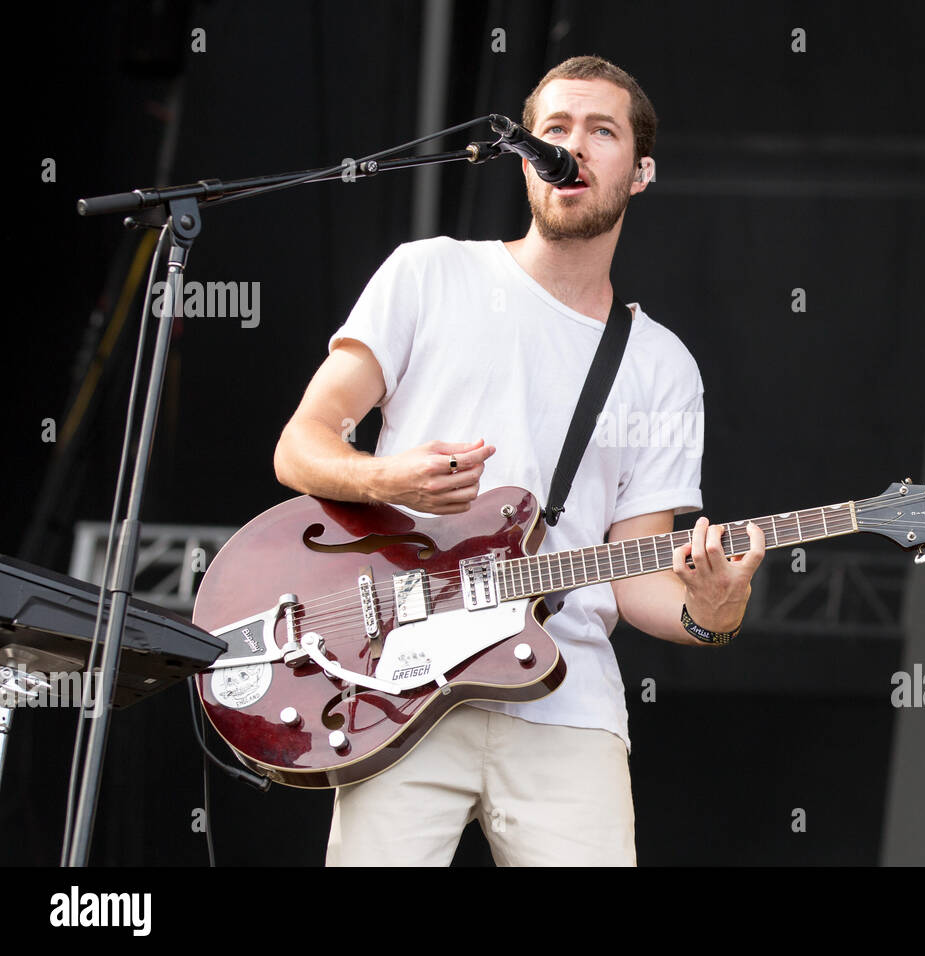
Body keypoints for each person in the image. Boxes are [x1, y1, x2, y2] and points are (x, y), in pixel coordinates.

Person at [272, 55, 765, 866]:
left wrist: (712, 611)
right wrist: (383, 479)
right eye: (555, 130)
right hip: (401, 687)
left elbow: (632, 572)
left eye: (601, 131)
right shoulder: (428, 273)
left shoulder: (660, 362)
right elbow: (301, 444)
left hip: (568, 704)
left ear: (640, 172)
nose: (573, 145)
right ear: (526, 154)